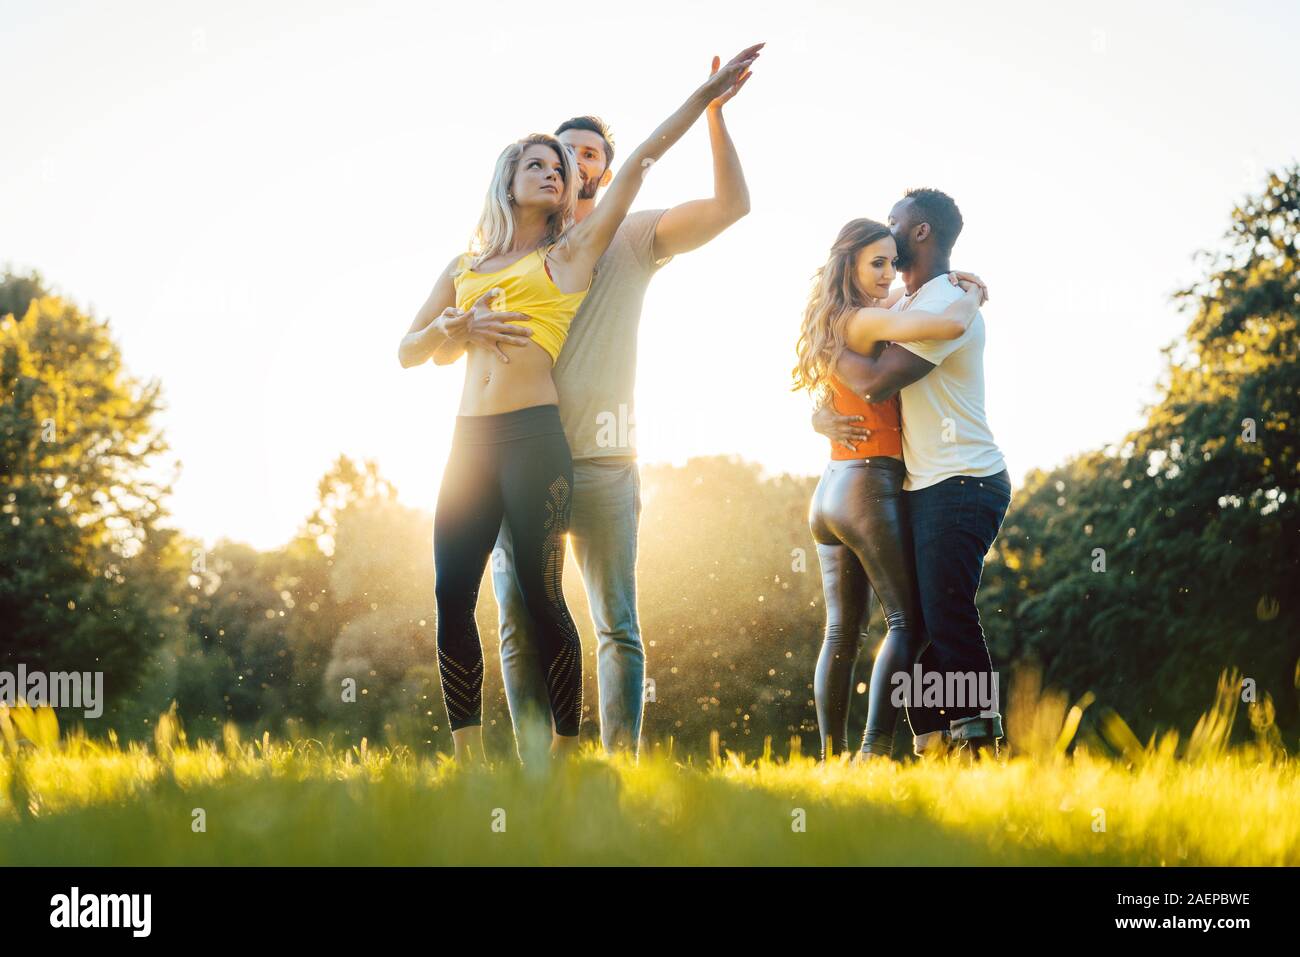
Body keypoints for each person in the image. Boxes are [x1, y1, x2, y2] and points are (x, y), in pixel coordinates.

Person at [397, 43, 763, 763]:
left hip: (569, 449)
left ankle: (590, 759)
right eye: (546, 158)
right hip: (476, 442)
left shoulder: (597, 244)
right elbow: (412, 347)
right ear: (511, 175)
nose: (562, 168)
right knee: (478, 604)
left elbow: (661, 171)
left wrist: (708, 102)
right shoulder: (471, 262)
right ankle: (496, 765)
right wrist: (451, 329)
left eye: (573, 161)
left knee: (584, 612)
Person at [812, 188, 1010, 760]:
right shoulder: (911, 302)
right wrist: (820, 412)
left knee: (945, 610)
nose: (888, 228)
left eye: (896, 221)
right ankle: (932, 742)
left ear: (919, 232)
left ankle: (977, 738)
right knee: (920, 616)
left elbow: (877, 380)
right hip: (923, 482)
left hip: (963, 479)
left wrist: (967, 293)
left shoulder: (946, 304)